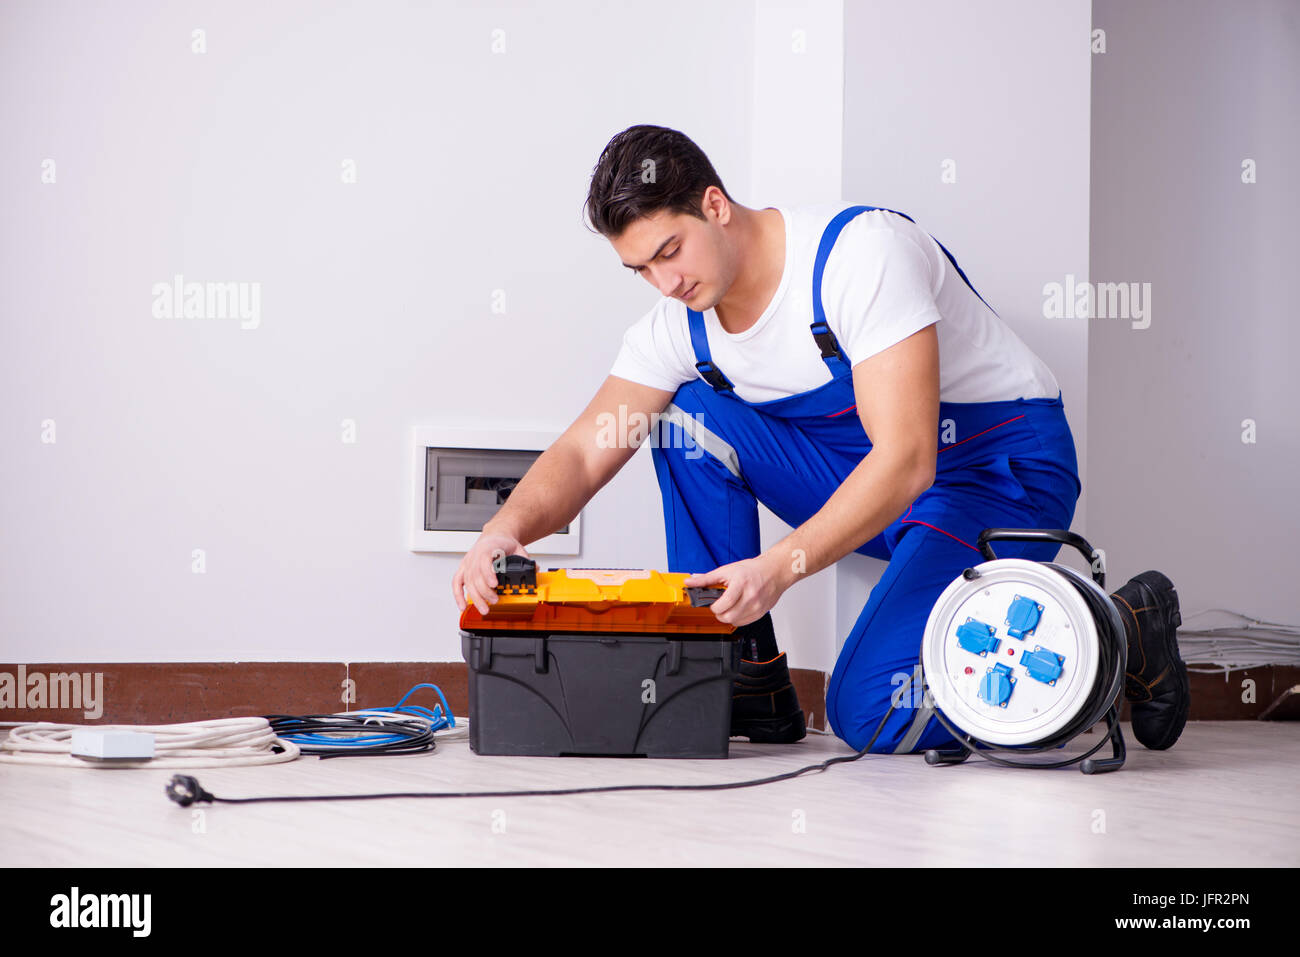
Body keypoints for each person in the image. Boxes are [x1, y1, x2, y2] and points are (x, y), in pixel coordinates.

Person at [452, 124, 1190, 754]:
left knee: (868, 711)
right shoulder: (680, 324)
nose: (663, 281)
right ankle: (743, 680)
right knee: (682, 422)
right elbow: (585, 448)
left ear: (715, 205)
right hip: (876, 476)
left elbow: (906, 456)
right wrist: (501, 530)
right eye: (640, 267)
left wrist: (776, 567)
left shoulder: (857, 256)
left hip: (993, 473)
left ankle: (1119, 630)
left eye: (670, 250)